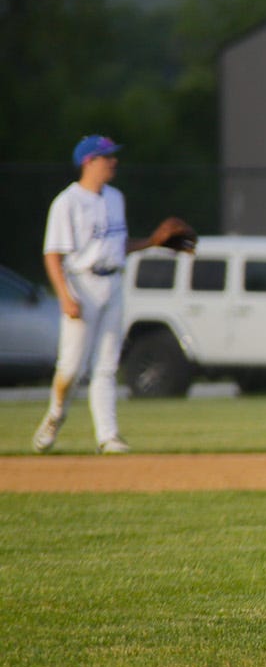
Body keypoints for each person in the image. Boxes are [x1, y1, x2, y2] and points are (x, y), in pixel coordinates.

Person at [33, 136, 195, 455]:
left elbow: (117, 246)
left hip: (113, 283)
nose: (113, 161)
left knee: (106, 365)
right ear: (88, 161)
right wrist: (65, 295)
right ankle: (55, 415)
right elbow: (53, 254)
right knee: (72, 367)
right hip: (82, 284)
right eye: (106, 156)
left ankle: (108, 436)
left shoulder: (115, 198)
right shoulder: (68, 202)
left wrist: (151, 242)